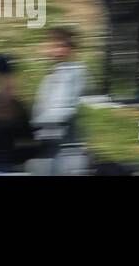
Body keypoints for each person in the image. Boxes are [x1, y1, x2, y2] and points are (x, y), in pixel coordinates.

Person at [29, 26, 88, 174]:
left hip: (62, 152)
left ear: (68, 49)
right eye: (51, 44)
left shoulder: (71, 73)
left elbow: (61, 111)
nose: (51, 48)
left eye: (56, 45)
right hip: (52, 149)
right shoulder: (57, 73)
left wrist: (32, 128)